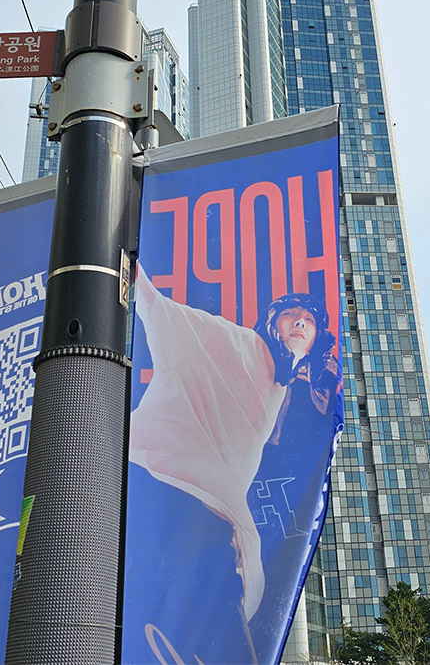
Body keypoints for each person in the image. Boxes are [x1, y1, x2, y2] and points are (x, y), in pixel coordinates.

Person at [123, 265, 341, 664]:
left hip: (206, 510)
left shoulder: (282, 386)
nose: (300, 323)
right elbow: (161, 310)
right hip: (157, 484)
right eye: (292, 314)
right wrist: (127, 268)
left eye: (310, 321)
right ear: (271, 321)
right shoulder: (232, 340)